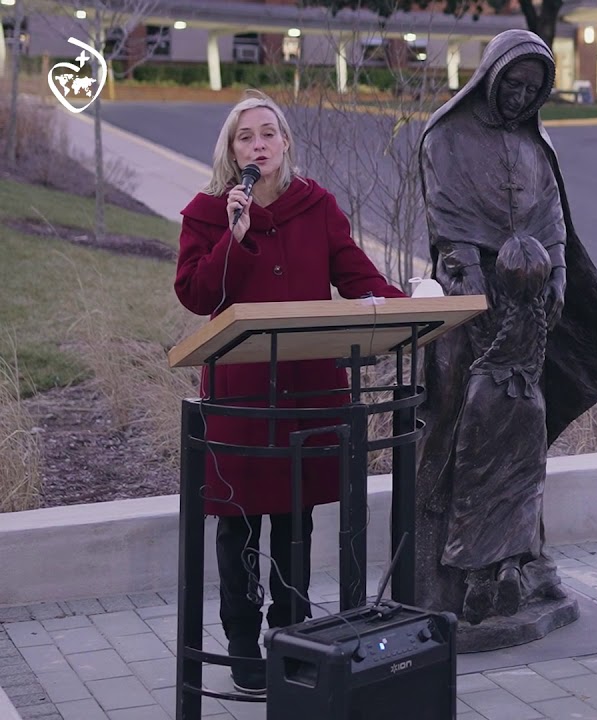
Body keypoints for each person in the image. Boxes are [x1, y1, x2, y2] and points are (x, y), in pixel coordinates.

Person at [173, 90, 406, 694]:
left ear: (285, 143)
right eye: (246, 137)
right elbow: (199, 296)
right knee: (239, 521)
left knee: (296, 519)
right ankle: (244, 649)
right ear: (231, 150)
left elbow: (355, 272)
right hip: (242, 390)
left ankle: (292, 640)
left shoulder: (316, 205)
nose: (259, 145)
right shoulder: (206, 213)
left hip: (307, 388)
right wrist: (234, 236)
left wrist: (409, 305)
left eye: (268, 134)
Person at [416, 29, 597, 627]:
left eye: (532, 90)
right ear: (490, 76)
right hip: (470, 304)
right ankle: (450, 575)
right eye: (512, 84)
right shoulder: (447, 136)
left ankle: (521, 560)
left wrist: (556, 281)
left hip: (533, 305)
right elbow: (450, 233)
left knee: (523, 434)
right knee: (464, 424)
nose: (518, 97)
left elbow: (553, 226)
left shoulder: (537, 149)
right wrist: (477, 300)